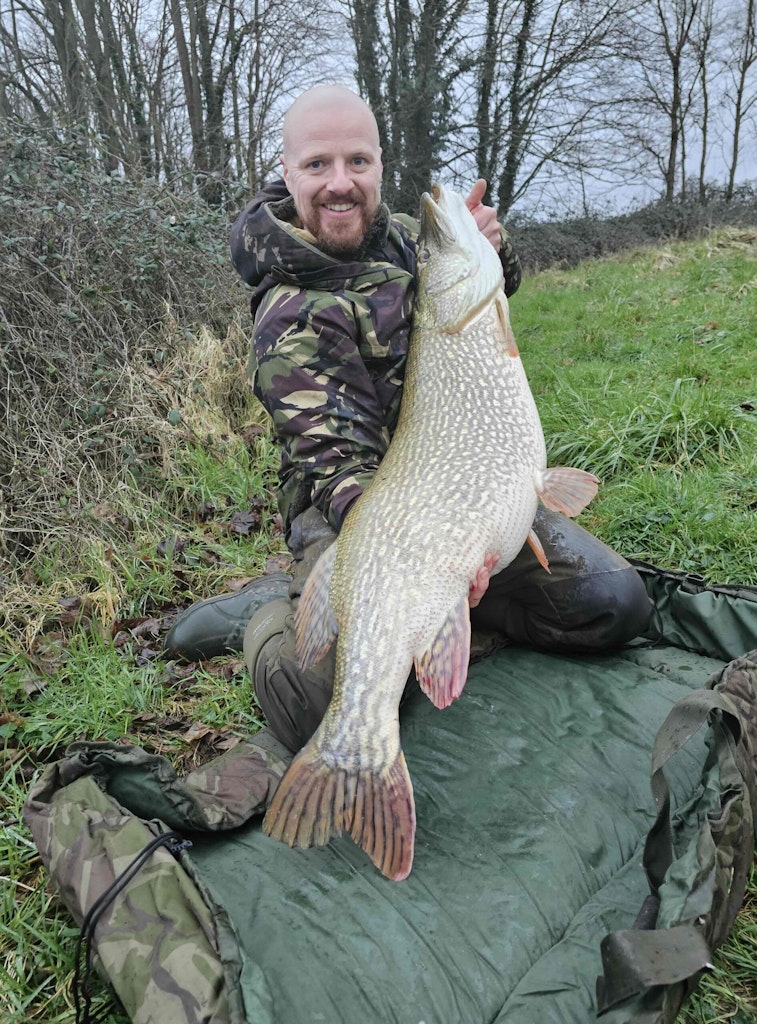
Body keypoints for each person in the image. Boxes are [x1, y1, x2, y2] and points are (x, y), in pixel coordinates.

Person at [164, 84, 653, 754]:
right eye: (318, 165)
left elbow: (486, 294)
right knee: (316, 703)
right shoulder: (288, 318)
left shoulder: (396, 239)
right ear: (286, 172)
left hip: (460, 482)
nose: (341, 183)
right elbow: (340, 473)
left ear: (379, 165)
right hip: (355, 514)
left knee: (616, 604)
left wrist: (488, 247)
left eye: (358, 162)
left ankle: (468, 614)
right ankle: (269, 613)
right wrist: (431, 558)